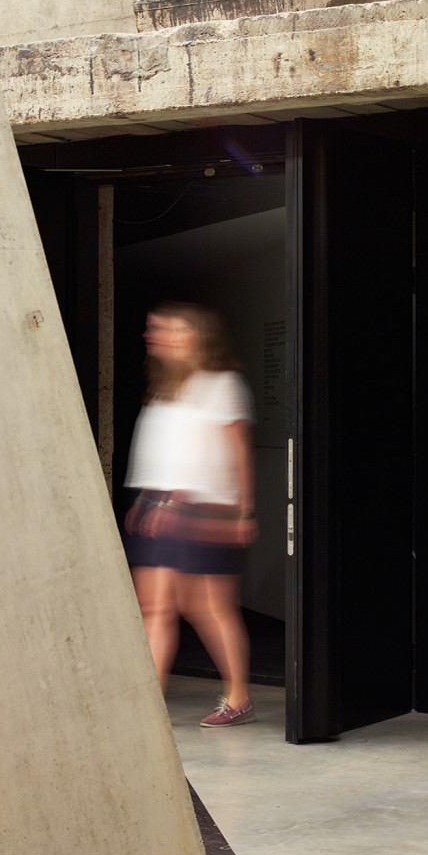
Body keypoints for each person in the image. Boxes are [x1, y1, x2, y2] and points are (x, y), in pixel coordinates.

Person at [123, 302, 257, 726]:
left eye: (169, 328)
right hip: (160, 510)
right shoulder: (162, 389)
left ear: (196, 336)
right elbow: (164, 455)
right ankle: (150, 703)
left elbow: (238, 452)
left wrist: (243, 512)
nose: (155, 333)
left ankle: (238, 697)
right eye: (154, 327)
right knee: (154, 607)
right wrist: (146, 500)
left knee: (209, 608)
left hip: (204, 509)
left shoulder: (222, 385)